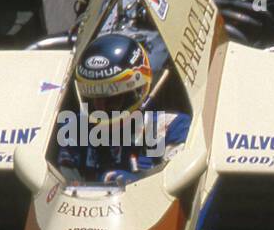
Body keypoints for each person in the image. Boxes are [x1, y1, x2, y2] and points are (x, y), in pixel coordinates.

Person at [57, 31, 190, 182]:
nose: (101, 109)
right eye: (95, 99)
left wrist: (135, 183)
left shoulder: (172, 128)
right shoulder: (73, 130)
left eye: (111, 99)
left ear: (135, 92)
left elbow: (178, 184)